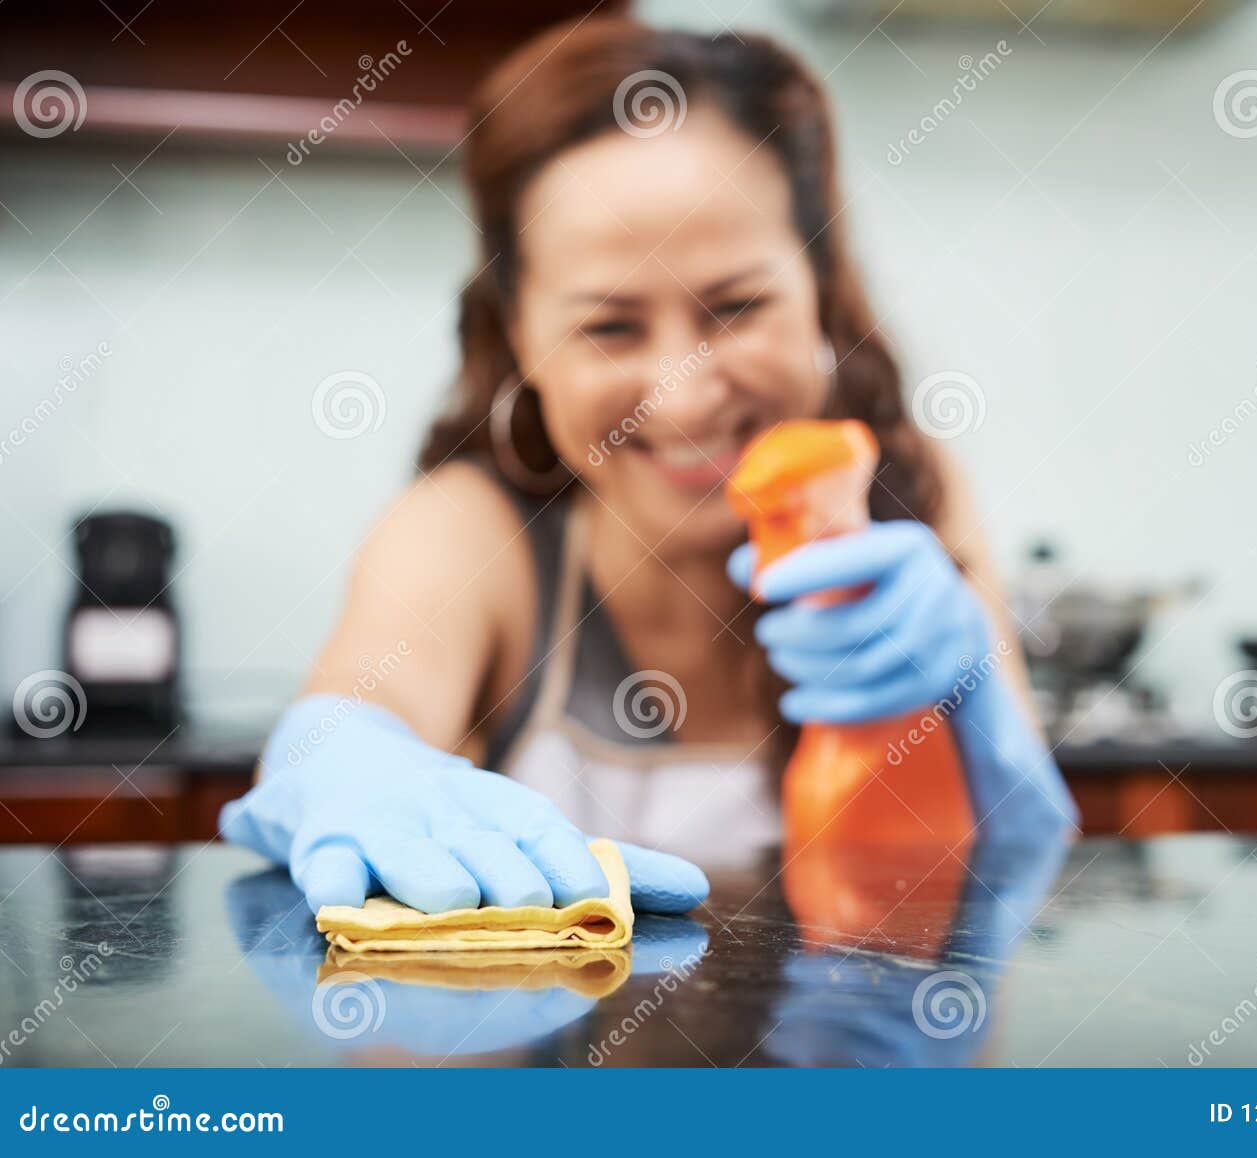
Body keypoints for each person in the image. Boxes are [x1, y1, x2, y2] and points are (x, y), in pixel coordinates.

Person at [221, 16, 1076, 917]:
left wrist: (973, 698)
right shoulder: (468, 530)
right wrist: (348, 762)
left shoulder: (905, 489)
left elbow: (1020, 862)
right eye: (610, 326)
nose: (682, 399)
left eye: (737, 307)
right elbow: (359, 711)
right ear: (521, 336)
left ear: (820, 288)